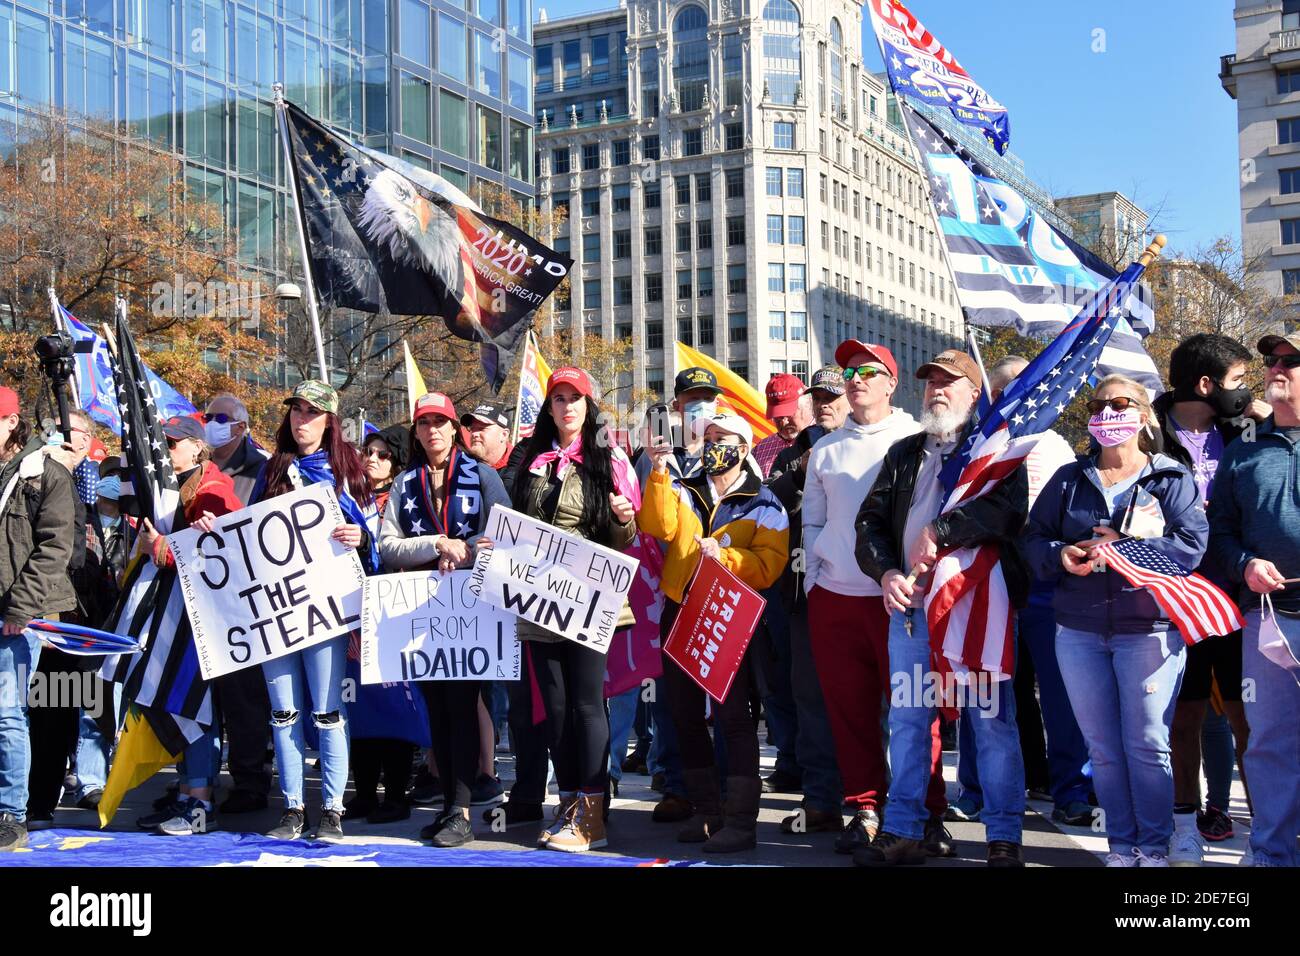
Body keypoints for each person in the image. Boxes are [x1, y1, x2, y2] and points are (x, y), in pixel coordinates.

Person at [856, 350, 1029, 868]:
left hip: (977, 605)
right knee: (908, 721)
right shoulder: (904, 453)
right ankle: (903, 828)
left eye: (949, 382)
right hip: (910, 609)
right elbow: (869, 523)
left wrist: (943, 531)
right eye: (930, 380)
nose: (936, 389)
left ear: (975, 392)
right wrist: (885, 572)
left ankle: (1003, 836)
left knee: (991, 720)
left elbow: (1007, 510)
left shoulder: (997, 450)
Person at [1026, 374, 1207, 867]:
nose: (1108, 413)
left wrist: (1125, 548)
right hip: (1079, 631)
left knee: (1147, 745)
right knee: (1102, 749)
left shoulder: (1171, 478)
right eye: (1099, 404)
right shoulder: (1069, 478)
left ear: (1144, 415)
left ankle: (1153, 845)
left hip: (1149, 631)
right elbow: (1034, 540)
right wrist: (1061, 555)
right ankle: (1122, 847)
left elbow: (1192, 549)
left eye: (1121, 403)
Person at [801, 343, 950, 854]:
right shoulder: (824, 448)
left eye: (868, 371)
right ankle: (865, 805)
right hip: (835, 597)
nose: (855, 379)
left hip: (900, 596)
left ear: (891, 382)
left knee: (911, 709)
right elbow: (814, 521)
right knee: (849, 709)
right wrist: (813, 578)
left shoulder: (916, 438)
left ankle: (928, 813)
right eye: (849, 372)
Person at [948, 357, 1093, 831]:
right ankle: (975, 789)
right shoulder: (979, 445)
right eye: (1006, 388)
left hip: (1046, 586)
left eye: (1026, 384)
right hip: (990, 578)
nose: (1018, 394)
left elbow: (1069, 519)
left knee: (1059, 694)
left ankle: (1071, 788)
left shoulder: (1056, 446)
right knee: (984, 691)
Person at [640, 411, 790, 852]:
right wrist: (659, 470)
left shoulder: (764, 502)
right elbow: (657, 525)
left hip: (728, 615)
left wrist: (724, 559)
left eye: (721, 438)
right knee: (684, 715)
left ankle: (741, 821)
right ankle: (707, 811)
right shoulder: (686, 490)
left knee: (733, 720)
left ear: (743, 449)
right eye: (707, 438)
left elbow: (769, 565)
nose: (712, 445)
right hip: (681, 608)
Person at [509, 367, 640, 852]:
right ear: (548, 407)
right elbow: (514, 525)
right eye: (558, 398)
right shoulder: (529, 459)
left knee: (587, 704)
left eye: (575, 398)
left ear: (589, 406)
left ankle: (592, 815)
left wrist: (624, 520)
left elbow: (622, 538)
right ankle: (567, 805)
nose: (566, 406)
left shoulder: (608, 459)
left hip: (588, 595)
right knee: (556, 707)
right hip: (538, 597)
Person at [379, 392, 508, 846]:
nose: (432, 429)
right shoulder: (404, 483)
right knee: (436, 709)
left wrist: (467, 548)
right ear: (415, 432)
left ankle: (462, 808)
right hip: (421, 606)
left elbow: (507, 534)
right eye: (424, 423)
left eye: (441, 422)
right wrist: (436, 543)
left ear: (456, 429)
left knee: (462, 706)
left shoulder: (483, 475)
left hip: (470, 605)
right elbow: (387, 545)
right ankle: (450, 803)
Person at [251, 380, 376, 843]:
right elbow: (246, 540)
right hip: (278, 612)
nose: (301, 420)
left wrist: (362, 539)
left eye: (311, 412)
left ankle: (332, 809)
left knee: (327, 712)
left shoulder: (350, 475)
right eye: (296, 411)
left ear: (330, 421)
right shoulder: (271, 472)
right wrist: (211, 529)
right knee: (283, 714)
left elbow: (376, 540)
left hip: (325, 611)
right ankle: (291, 807)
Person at [1154, 334, 1257, 864]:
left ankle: (1266, 826)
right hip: (1175, 601)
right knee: (1185, 716)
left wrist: (1262, 409)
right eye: (1239, 382)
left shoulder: (1247, 429)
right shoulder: (1146, 432)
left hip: (1240, 596)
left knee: (1248, 717)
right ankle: (1184, 823)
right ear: (1205, 384)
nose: (1246, 393)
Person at [1208, 332, 1300, 867]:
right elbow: (1219, 533)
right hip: (1268, 619)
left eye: (1291, 360)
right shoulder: (1242, 448)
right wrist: (1244, 563)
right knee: (1268, 743)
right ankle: (1270, 854)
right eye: (1271, 361)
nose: (1275, 367)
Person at [131, 415, 245, 835]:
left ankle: (200, 804)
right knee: (178, 704)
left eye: (174, 443)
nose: (166, 449)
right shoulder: (175, 487)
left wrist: (158, 547)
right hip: (179, 616)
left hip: (204, 620)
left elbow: (215, 554)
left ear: (198, 447)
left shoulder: (214, 491)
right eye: (163, 442)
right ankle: (187, 794)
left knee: (192, 706)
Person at [762, 365, 850, 825]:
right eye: (818, 397)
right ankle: (820, 798)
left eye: (833, 396)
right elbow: (772, 503)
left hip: (864, 591)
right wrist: (801, 471)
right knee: (808, 697)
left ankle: (872, 798)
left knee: (865, 698)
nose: (825, 404)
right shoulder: (793, 453)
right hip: (801, 594)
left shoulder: (879, 446)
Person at [461, 403, 546, 829]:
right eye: (470, 427)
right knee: (506, 702)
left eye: (483, 428)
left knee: (533, 701)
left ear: (503, 435)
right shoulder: (461, 472)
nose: (474, 434)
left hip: (525, 601)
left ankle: (576, 791)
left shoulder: (524, 464)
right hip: (474, 604)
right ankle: (519, 789)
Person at [0, 387, 76, 852]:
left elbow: (55, 548)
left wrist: (21, 606)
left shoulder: (43, 474)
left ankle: (11, 813)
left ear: (11, 423)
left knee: (7, 713)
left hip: (14, 611)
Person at [349, 420, 425, 826]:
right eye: (368, 452)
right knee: (360, 707)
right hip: (352, 614)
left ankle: (397, 795)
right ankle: (363, 794)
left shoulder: (405, 500)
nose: (372, 459)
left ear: (396, 463)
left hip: (395, 614)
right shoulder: (346, 498)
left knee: (395, 706)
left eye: (382, 454)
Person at [203, 392, 274, 816]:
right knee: (201, 700)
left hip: (246, 603)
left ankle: (250, 782)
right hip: (201, 599)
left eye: (220, 417)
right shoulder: (194, 468)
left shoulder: (262, 471)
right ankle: (197, 784)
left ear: (241, 427)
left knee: (245, 699)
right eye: (207, 416)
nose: (210, 422)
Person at [751, 375, 813, 477]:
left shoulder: (825, 438)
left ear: (807, 404)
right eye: (777, 417)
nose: (783, 422)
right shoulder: (760, 449)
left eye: (788, 414)